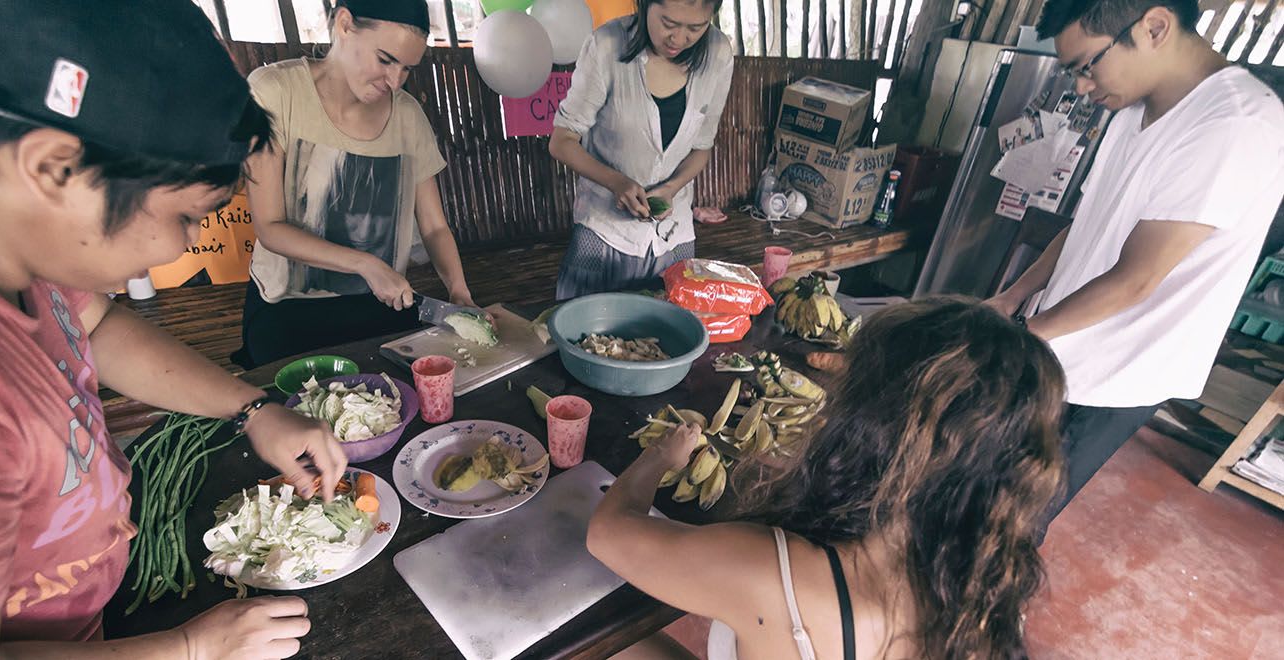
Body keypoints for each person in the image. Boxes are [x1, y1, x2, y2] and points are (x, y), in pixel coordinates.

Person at [0, 1, 350, 657]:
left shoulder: (4, 244)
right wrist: (188, 649)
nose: (192, 241)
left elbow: (97, 324)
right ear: (54, 168)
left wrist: (254, 410)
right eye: (187, 216)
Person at [589, 298, 1067, 659]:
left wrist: (658, 457)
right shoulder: (992, 591)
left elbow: (607, 534)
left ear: (869, 428)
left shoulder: (773, 574)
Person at [986, 0, 1284, 536]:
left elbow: (1137, 278)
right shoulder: (1131, 112)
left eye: (1085, 66)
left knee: (1015, 518)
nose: (1081, 87)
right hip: (1063, 345)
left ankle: (969, 615)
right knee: (982, 485)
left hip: (1118, 370)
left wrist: (1025, 337)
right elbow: (1088, 226)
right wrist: (1013, 298)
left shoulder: (1234, 126)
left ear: (1154, 26)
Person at [234, 0, 477, 369]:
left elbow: (434, 226)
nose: (395, 81)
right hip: (287, 309)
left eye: (407, 69)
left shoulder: (407, 115)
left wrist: (458, 292)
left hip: (380, 303)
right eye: (385, 60)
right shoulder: (276, 92)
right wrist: (366, 264)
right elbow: (271, 228)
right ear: (344, 24)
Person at [549, 0, 734, 300]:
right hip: (603, 235)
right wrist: (616, 182)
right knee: (587, 336)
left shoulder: (718, 54)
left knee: (666, 339)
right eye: (668, 24)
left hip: (674, 237)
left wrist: (672, 188)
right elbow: (562, 141)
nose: (678, 39)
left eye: (695, 28)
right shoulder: (606, 46)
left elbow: (702, 147)